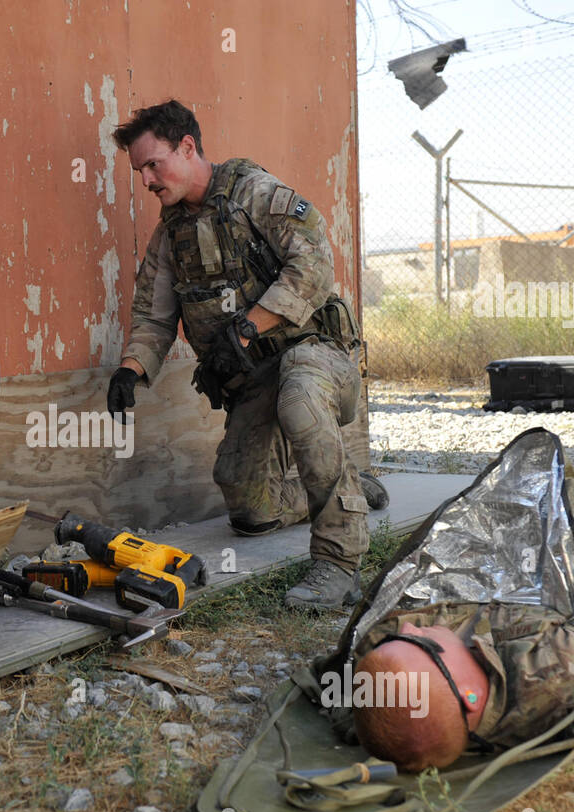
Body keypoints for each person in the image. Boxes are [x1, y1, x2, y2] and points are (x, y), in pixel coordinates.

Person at [104, 100, 386, 612]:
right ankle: (348, 487)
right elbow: (154, 316)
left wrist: (249, 327)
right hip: (257, 377)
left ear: (187, 147)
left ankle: (340, 564)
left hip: (316, 354)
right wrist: (132, 368)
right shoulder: (171, 233)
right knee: (248, 508)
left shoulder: (253, 193)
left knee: (299, 401)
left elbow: (315, 263)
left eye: (153, 164)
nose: (146, 179)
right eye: (139, 170)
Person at [352, 541, 574, 771]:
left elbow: (388, 642)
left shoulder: (455, 689)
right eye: (421, 645)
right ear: (468, 698)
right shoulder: (560, 670)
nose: (411, 631)